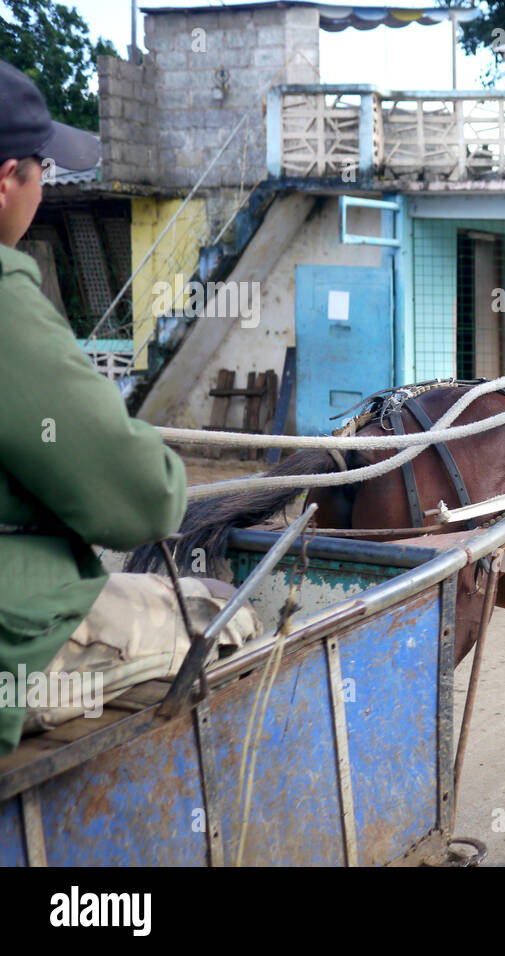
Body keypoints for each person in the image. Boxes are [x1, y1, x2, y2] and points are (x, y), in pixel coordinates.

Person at [0, 62, 251, 754]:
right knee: (227, 617)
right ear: (5, 180)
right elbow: (143, 501)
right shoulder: (6, 307)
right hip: (14, 633)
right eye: (41, 168)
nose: (45, 185)